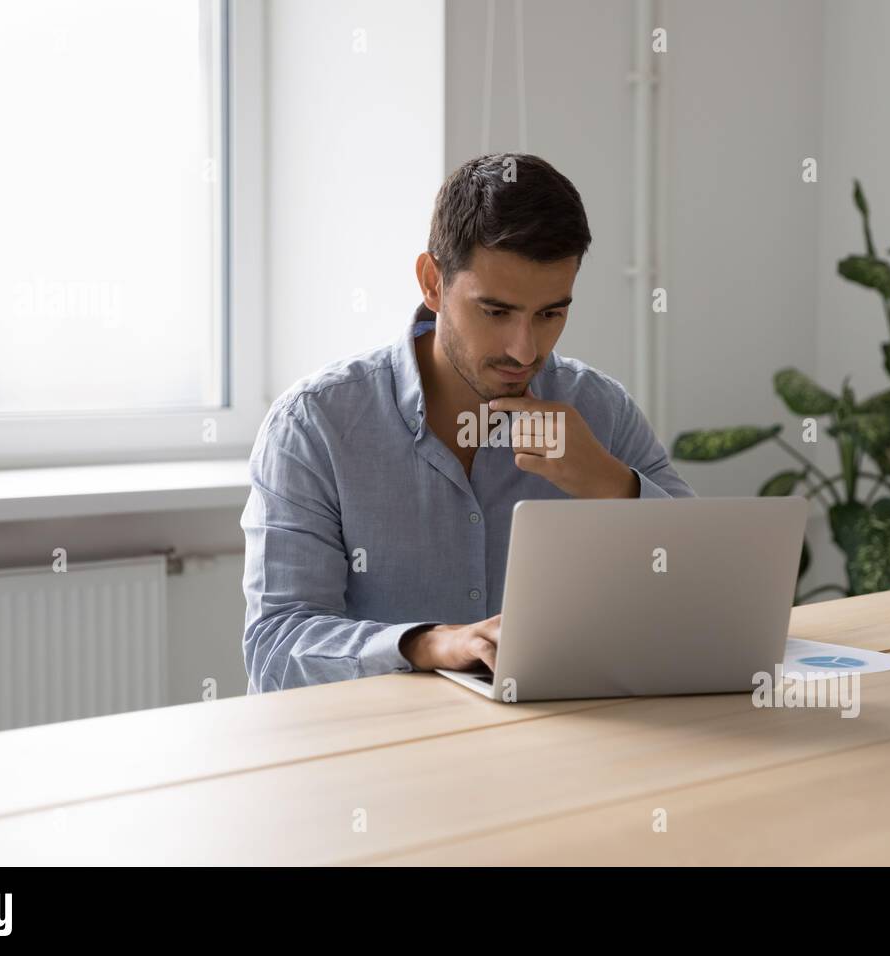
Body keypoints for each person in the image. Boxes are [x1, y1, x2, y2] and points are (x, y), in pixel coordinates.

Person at [241, 153, 695, 693]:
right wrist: (432, 644)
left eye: (550, 313)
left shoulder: (599, 411)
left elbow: (706, 593)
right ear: (432, 283)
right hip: (376, 756)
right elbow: (276, 648)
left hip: (560, 750)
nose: (524, 349)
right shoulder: (314, 425)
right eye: (496, 311)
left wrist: (612, 485)